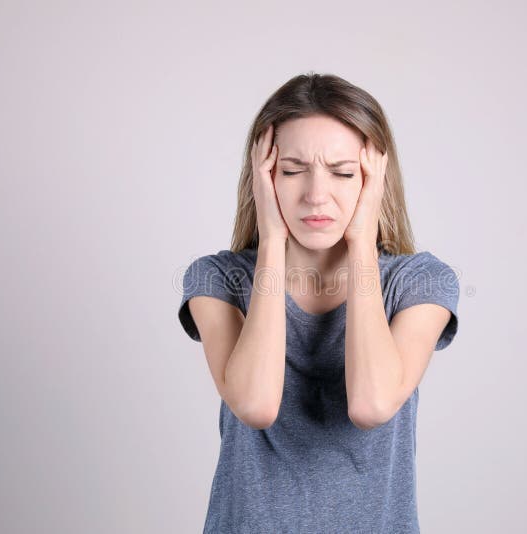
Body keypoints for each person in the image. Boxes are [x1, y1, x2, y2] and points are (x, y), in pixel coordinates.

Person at [177, 72, 460, 533]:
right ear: (263, 177)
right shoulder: (217, 280)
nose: (315, 195)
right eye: (291, 171)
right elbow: (255, 405)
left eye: (344, 173)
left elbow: (371, 404)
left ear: (375, 179)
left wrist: (363, 241)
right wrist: (270, 240)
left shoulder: (419, 282)